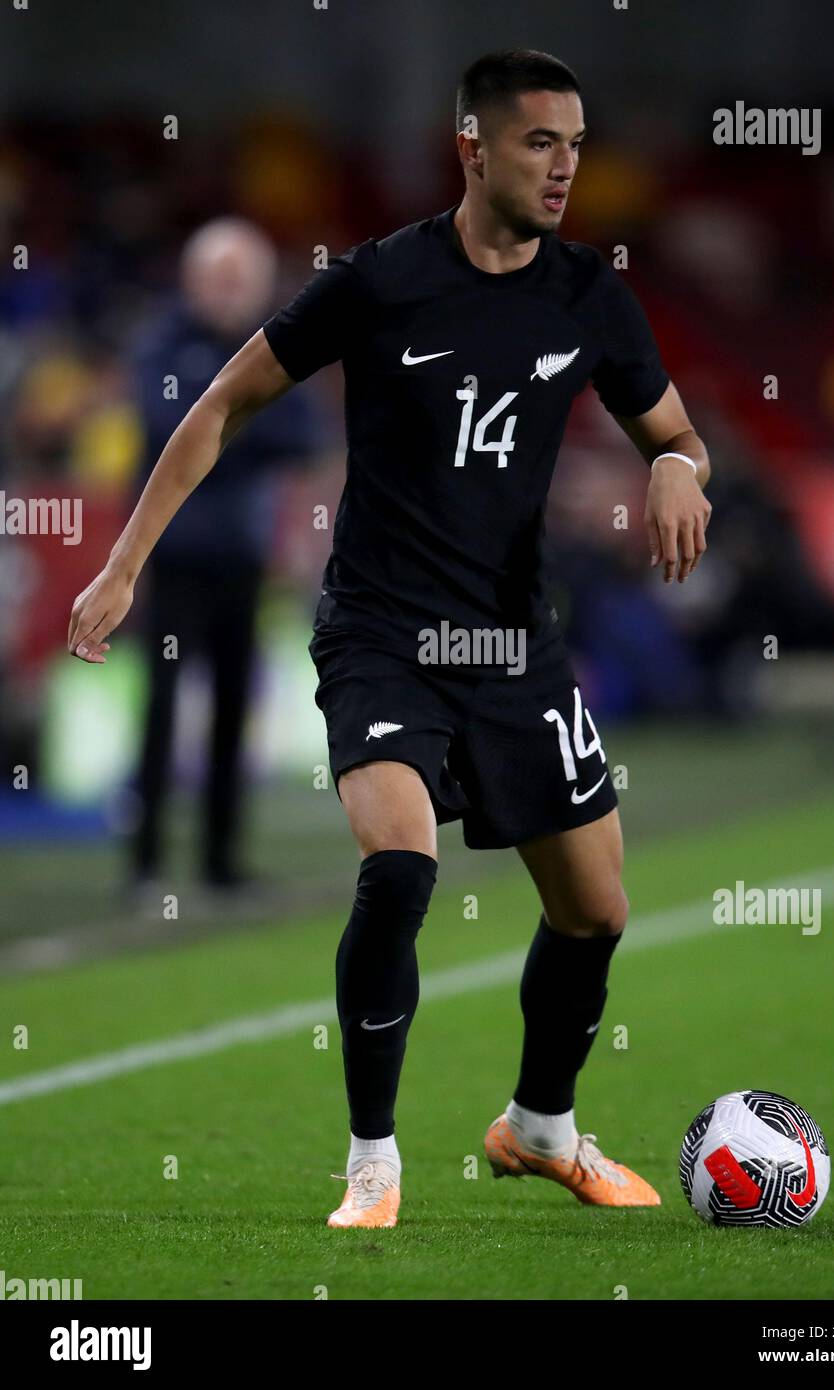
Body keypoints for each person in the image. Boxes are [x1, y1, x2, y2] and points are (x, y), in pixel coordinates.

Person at [68, 50, 711, 1229]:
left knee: (596, 912)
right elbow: (222, 404)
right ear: (473, 147)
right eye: (538, 144)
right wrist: (123, 563)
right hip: (383, 632)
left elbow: (675, 433)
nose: (565, 167)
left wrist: (675, 466)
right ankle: (372, 1159)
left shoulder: (588, 295)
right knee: (400, 865)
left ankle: (539, 1129)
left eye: (575, 144)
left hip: (515, 645)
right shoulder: (378, 281)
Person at [127, 218, 318, 894]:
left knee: (237, 706)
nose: (231, 291)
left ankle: (220, 860)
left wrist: (217, 427)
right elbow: (162, 425)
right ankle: (145, 861)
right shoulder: (162, 342)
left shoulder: (271, 346)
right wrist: (238, 421)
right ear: (193, 279)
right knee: (162, 704)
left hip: (242, 555)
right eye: (220, 276)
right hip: (174, 553)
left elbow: (302, 434)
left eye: (242, 278)